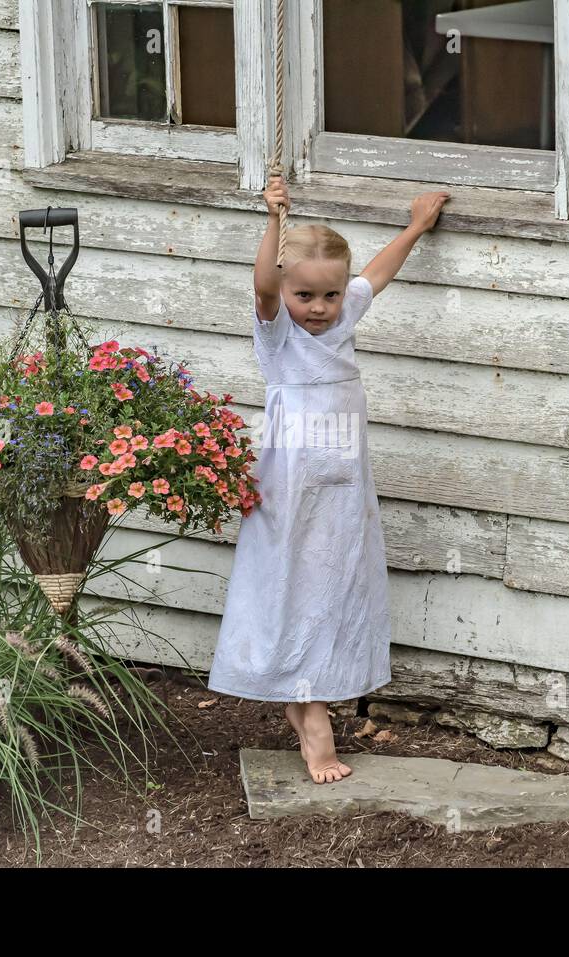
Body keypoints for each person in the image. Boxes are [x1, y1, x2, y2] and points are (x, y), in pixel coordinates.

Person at [206, 174, 450, 784]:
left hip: (343, 483)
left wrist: (417, 225)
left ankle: (306, 690)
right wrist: (273, 222)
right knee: (295, 579)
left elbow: (376, 274)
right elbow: (263, 285)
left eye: (329, 297)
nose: (318, 309)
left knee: (338, 582)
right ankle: (310, 712)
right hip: (293, 484)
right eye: (305, 296)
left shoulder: (341, 320)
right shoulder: (278, 332)